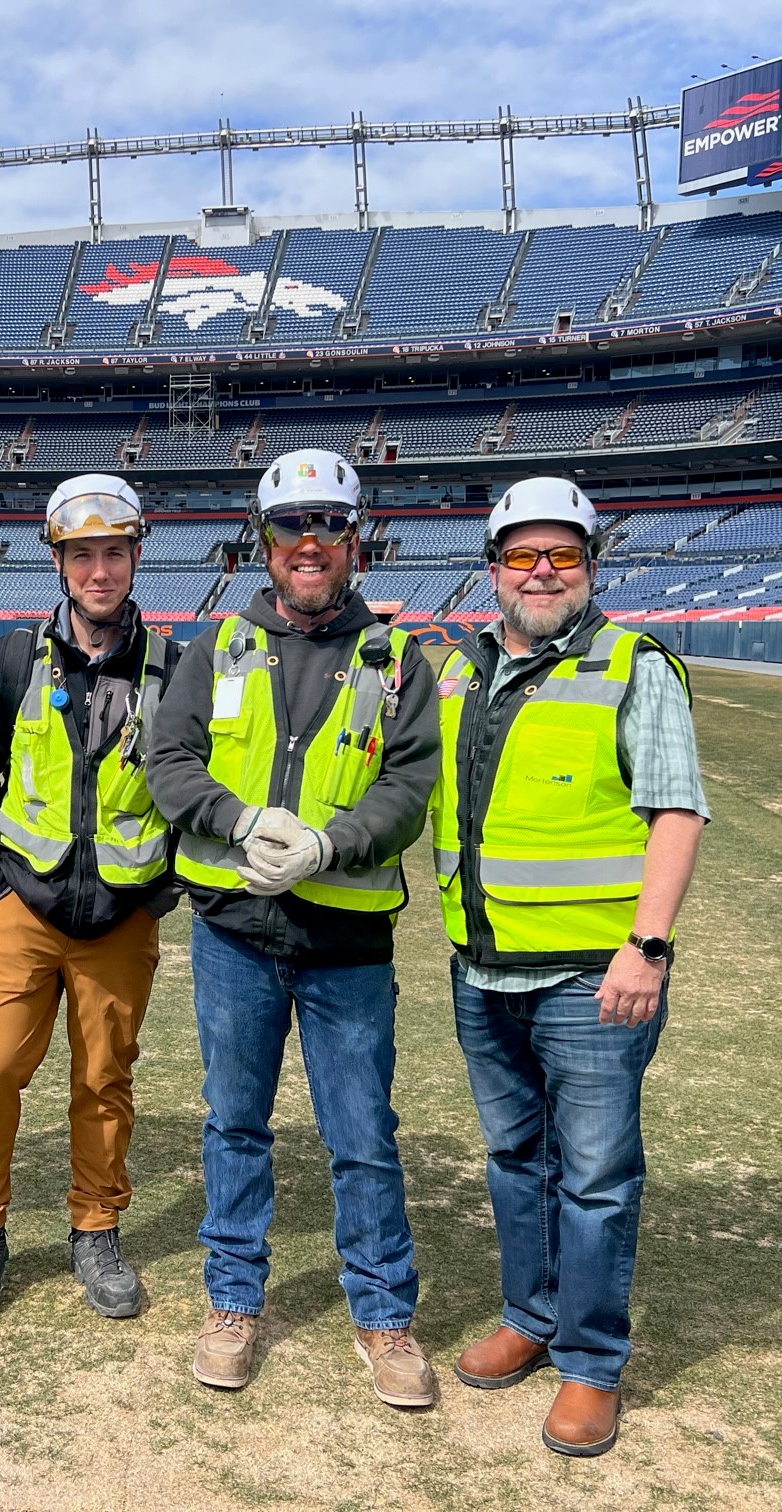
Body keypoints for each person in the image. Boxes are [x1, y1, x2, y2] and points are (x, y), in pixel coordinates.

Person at [146, 449, 442, 1408]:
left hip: (346, 943)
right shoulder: (218, 645)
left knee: (362, 1136)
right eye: (289, 529)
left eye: (328, 528)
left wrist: (328, 844)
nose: (308, 545)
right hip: (235, 934)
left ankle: (384, 1316)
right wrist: (239, 823)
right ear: (262, 540)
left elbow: (409, 790)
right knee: (236, 1125)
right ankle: (233, 1303)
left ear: (357, 539)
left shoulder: (397, 661)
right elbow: (170, 763)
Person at [433, 477, 709, 1458]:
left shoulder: (632, 666)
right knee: (517, 1159)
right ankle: (531, 1313)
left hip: (597, 981)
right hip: (484, 969)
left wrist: (648, 946)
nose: (541, 572)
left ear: (591, 566)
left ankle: (591, 1365)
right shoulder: (458, 672)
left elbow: (676, 810)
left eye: (563, 556)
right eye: (522, 556)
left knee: (594, 1177)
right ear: (494, 568)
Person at [0, 475, 176, 1329]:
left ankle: (96, 1225)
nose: (100, 570)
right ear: (60, 562)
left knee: (105, 1077)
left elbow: (198, 787)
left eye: (115, 552)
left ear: (137, 556)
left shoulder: (174, 669)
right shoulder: (13, 658)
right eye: (83, 555)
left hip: (121, 919)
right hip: (22, 912)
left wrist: (161, 891)